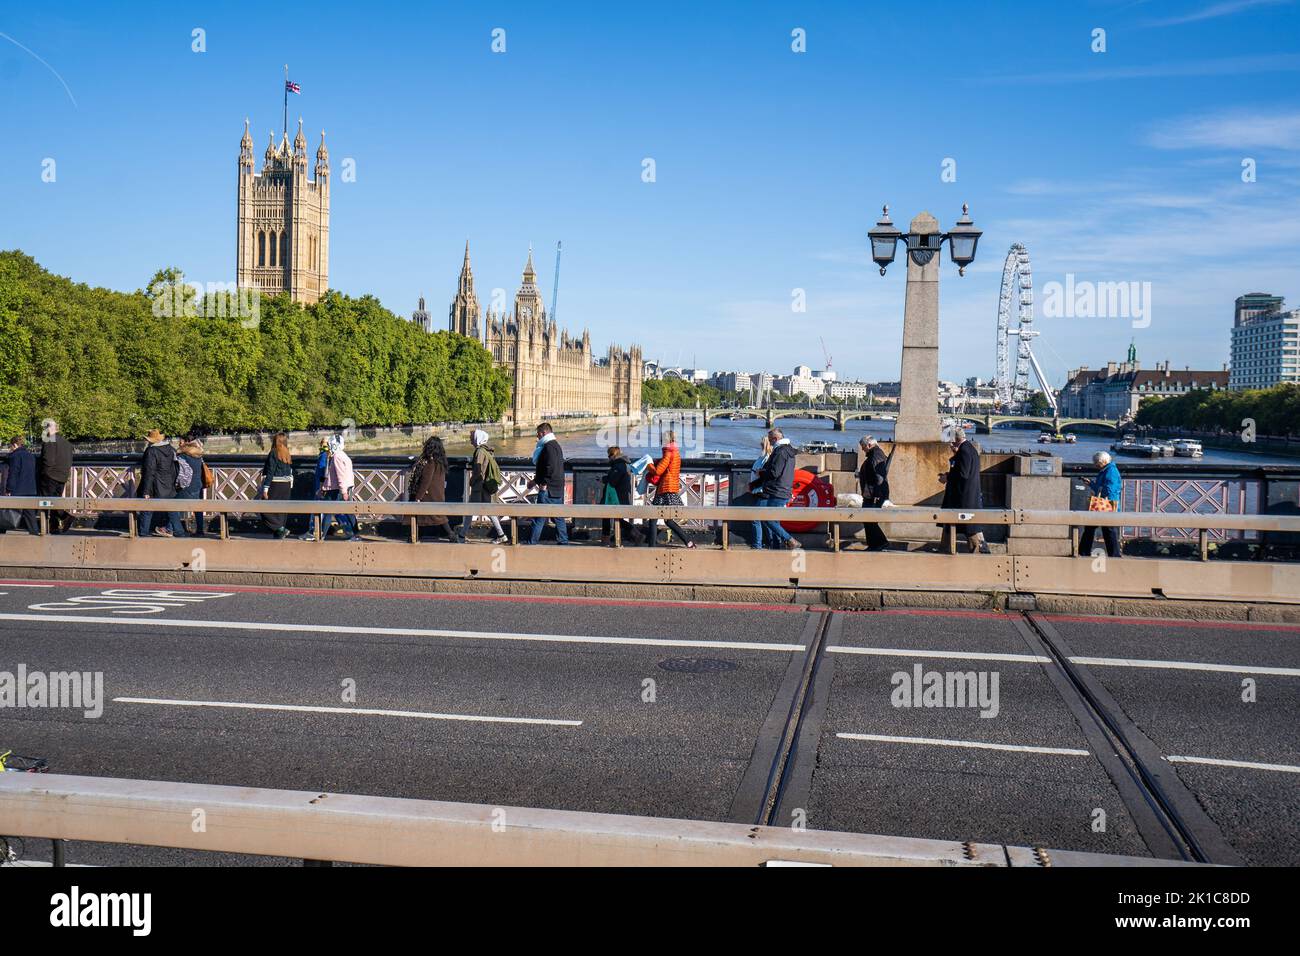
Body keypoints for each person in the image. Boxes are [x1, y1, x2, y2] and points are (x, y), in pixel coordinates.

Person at [938, 427, 988, 554]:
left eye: (951, 440)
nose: (950, 443)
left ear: (956, 439)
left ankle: (981, 551)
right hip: (964, 497)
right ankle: (945, 550)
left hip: (963, 498)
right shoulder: (969, 449)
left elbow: (963, 474)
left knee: (970, 528)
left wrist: (947, 477)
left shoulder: (965, 450)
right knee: (953, 524)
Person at [749, 428, 798, 550]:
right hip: (781, 489)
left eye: (771, 440)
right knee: (773, 520)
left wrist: (761, 473)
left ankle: (789, 539)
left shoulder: (780, 452)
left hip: (776, 490)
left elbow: (775, 473)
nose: (769, 442)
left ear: (776, 439)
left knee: (769, 519)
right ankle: (776, 547)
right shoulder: (789, 451)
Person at [645, 429, 695, 548]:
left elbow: (658, 471)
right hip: (672, 488)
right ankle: (689, 542)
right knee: (668, 520)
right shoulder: (675, 451)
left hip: (665, 489)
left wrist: (648, 465)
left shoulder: (668, 452)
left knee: (653, 518)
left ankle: (651, 546)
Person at [138, 429, 185, 538]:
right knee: (172, 511)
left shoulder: (151, 451)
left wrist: (146, 491)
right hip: (169, 485)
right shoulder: (171, 449)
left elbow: (149, 472)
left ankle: (143, 533)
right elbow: (175, 468)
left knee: (147, 509)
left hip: (155, 486)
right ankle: (179, 532)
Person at [526, 422, 568, 545]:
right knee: (559, 518)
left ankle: (531, 543)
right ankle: (563, 542)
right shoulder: (556, 445)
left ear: (544, 433)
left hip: (548, 488)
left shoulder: (548, 447)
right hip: (557, 487)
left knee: (539, 518)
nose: (537, 437)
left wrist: (538, 482)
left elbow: (549, 468)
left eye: (538, 434)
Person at [409, 435, 456, 542]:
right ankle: (451, 535)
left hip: (429, 493)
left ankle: (415, 535)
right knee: (439, 515)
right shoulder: (440, 460)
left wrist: (418, 497)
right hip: (437, 493)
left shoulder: (430, 462)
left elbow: (426, 480)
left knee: (418, 513)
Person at [465, 429, 508, 544]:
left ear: (477, 438)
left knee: (470, 510)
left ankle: (461, 535)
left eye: (472, 438)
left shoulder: (480, 452)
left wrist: (471, 480)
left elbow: (479, 470)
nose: (470, 441)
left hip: (479, 486)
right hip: (487, 486)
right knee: (490, 511)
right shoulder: (488, 451)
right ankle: (501, 535)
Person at [1079, 450, 1123, 559]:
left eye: (1096, 463)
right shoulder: (1107, 470)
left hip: (1106, 505)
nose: (1095, 465)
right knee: (1104, 530)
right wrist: (1091, 484)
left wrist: (1096, 488)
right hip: (1104, 504)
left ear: (1102, 461)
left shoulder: (1110, 471)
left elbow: (1109, 490)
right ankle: (1085, 552)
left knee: (1107, 530)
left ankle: (1086, 552)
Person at [600, 445, 644, 546]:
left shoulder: (618, 465)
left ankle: (606, 540)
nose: (608, 458)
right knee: (616, 519)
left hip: (615, 497)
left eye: (608, 456)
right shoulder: (622, 464)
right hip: (620, 497)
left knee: (607, 517)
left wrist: (604, 479)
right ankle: (636, 535)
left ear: (612, 455)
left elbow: (613, 481)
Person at [320, 434, 359, 540]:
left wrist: (343, 491)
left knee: (327, 512)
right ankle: (355, 533)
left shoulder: (336, 457)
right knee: (349, 512)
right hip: (345, 488)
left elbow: (340, 475)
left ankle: (321, 535)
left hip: (336, 490)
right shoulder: (344, 456)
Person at [38, 419, 74, 533]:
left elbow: (48, 460)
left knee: (46, 501)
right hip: (62, 475)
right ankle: (53, 525)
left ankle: (65, 517)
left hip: (50, 475)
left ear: (48, 428)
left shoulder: (50, 440)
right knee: (55, 499)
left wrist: (44, 472)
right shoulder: (66, 442)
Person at [857, 435, 891, 552]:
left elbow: (879, 477)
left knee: (868, 518)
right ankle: (874, 544)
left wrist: (877, 495)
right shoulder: (875, 454)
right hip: (872, 493)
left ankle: (880, 542)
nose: (862, 449)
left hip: (874, 494)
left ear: (869, 445)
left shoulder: (875, 455)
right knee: (868, 518)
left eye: (863, 446)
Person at [259, 431, 295, 539]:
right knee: (281, 510)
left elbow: (270, 471)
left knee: (263, 507)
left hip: (275, 484)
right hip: (286, 485)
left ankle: (280, 529)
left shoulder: (274, 452)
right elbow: (290, 471)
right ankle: (279, 533)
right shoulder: (287, 453)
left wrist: (265, 488)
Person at [3, 436, 41, 535]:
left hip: (19, 489)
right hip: (31, 489)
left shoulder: (15, 456)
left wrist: (8, 488)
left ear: (14, 445)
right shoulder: (31, 456)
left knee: (6, 510)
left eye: (11, 446)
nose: (10, 448)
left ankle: (3, 530)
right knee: (30, 513)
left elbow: (13, 474)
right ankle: (35, 533)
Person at [176, 437, 209, 537]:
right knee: (198, 508)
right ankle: (200, 530)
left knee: (174, 506)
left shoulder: (183, 456)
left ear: (186, 444)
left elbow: (180, 472)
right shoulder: (198, 456)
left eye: (180, 442)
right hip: (198, 485)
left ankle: (173, 529)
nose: (179, 443)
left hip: (186, 486)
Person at [300, 439, 331, 540]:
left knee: (317, 509)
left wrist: (321, 487)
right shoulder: (329, 455)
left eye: (324, 443)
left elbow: (322, 472)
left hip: (320, 487)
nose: (322, 444)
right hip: (327, 487)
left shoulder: (323, 456)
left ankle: (313, 531)